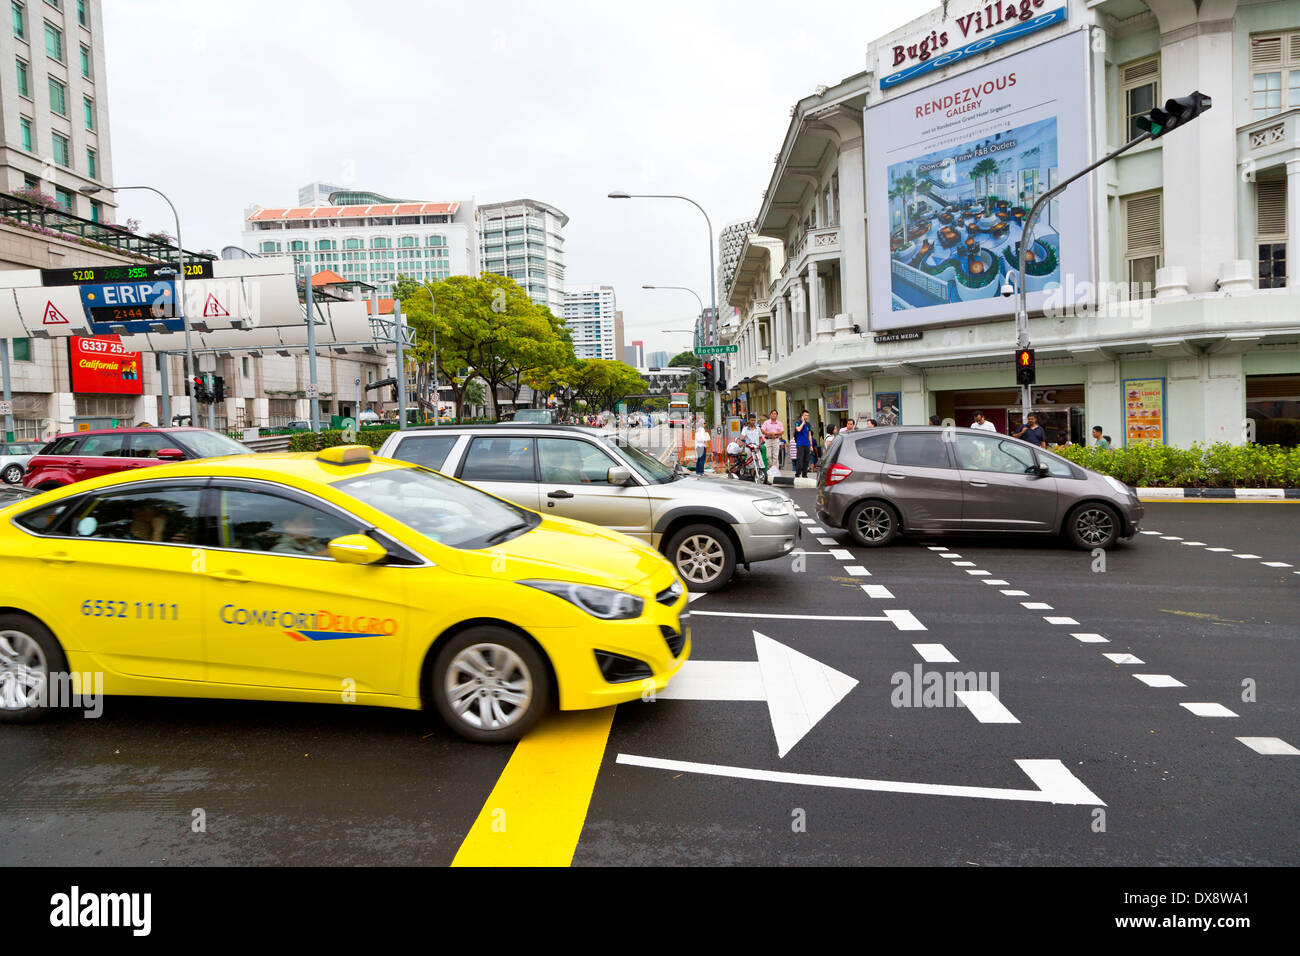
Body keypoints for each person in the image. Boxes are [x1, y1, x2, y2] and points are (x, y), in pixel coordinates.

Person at [761, 410, 784, 477]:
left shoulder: (779, 423)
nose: (774, 415)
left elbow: (782, 431)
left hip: (776, 440)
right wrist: (769, 434)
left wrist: (775, 434)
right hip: (768, 440)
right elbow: (762, 430)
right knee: (768, 456)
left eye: (775, 414)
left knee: (775, 456)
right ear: (770, 415)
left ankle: (775, 471)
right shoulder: (766, 422)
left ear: (777, 415)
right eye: (772, 414)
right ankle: (770, 469)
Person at [792, 410, 813, 478]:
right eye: (805, 415)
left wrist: (811, 445)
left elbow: (809, 435)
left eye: (807, 415)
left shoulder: (808, 424)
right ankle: (797, 474)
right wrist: (803, 423)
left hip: (807, 444)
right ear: (802, 416)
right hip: (800, 444)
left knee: (806, 460)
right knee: (800, 460)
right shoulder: (798, 423)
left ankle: (804, 474)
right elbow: (798, 429)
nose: (806, 417)